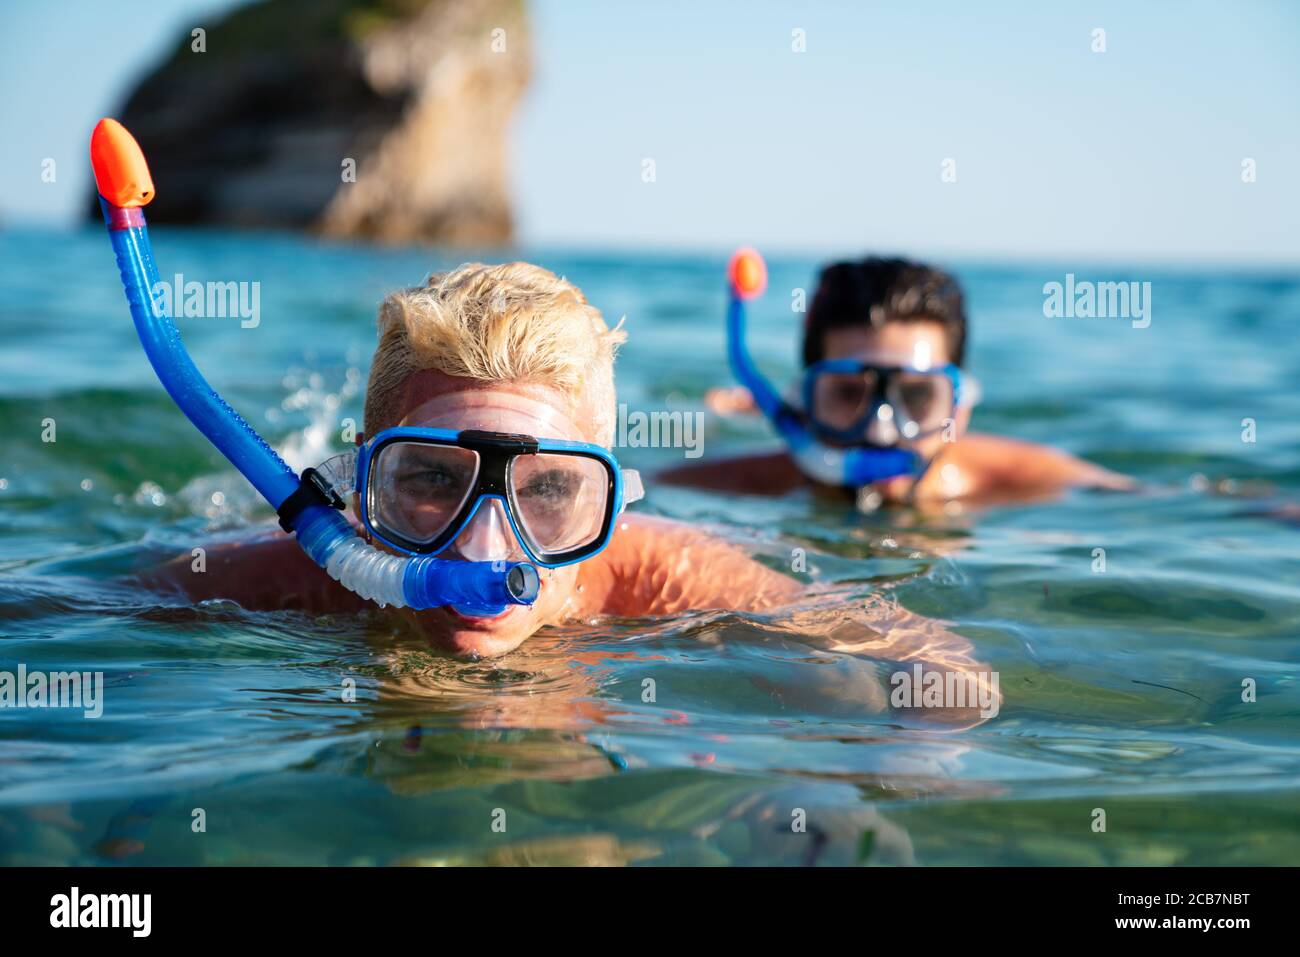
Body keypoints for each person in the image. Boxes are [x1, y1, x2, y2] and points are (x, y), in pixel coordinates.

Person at [659, 256, 1133, 507]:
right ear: (803, 404)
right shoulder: (720, 487)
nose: (883, 429)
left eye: (917, 395)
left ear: (960, 410)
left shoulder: (1033, 482)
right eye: (848, 392)